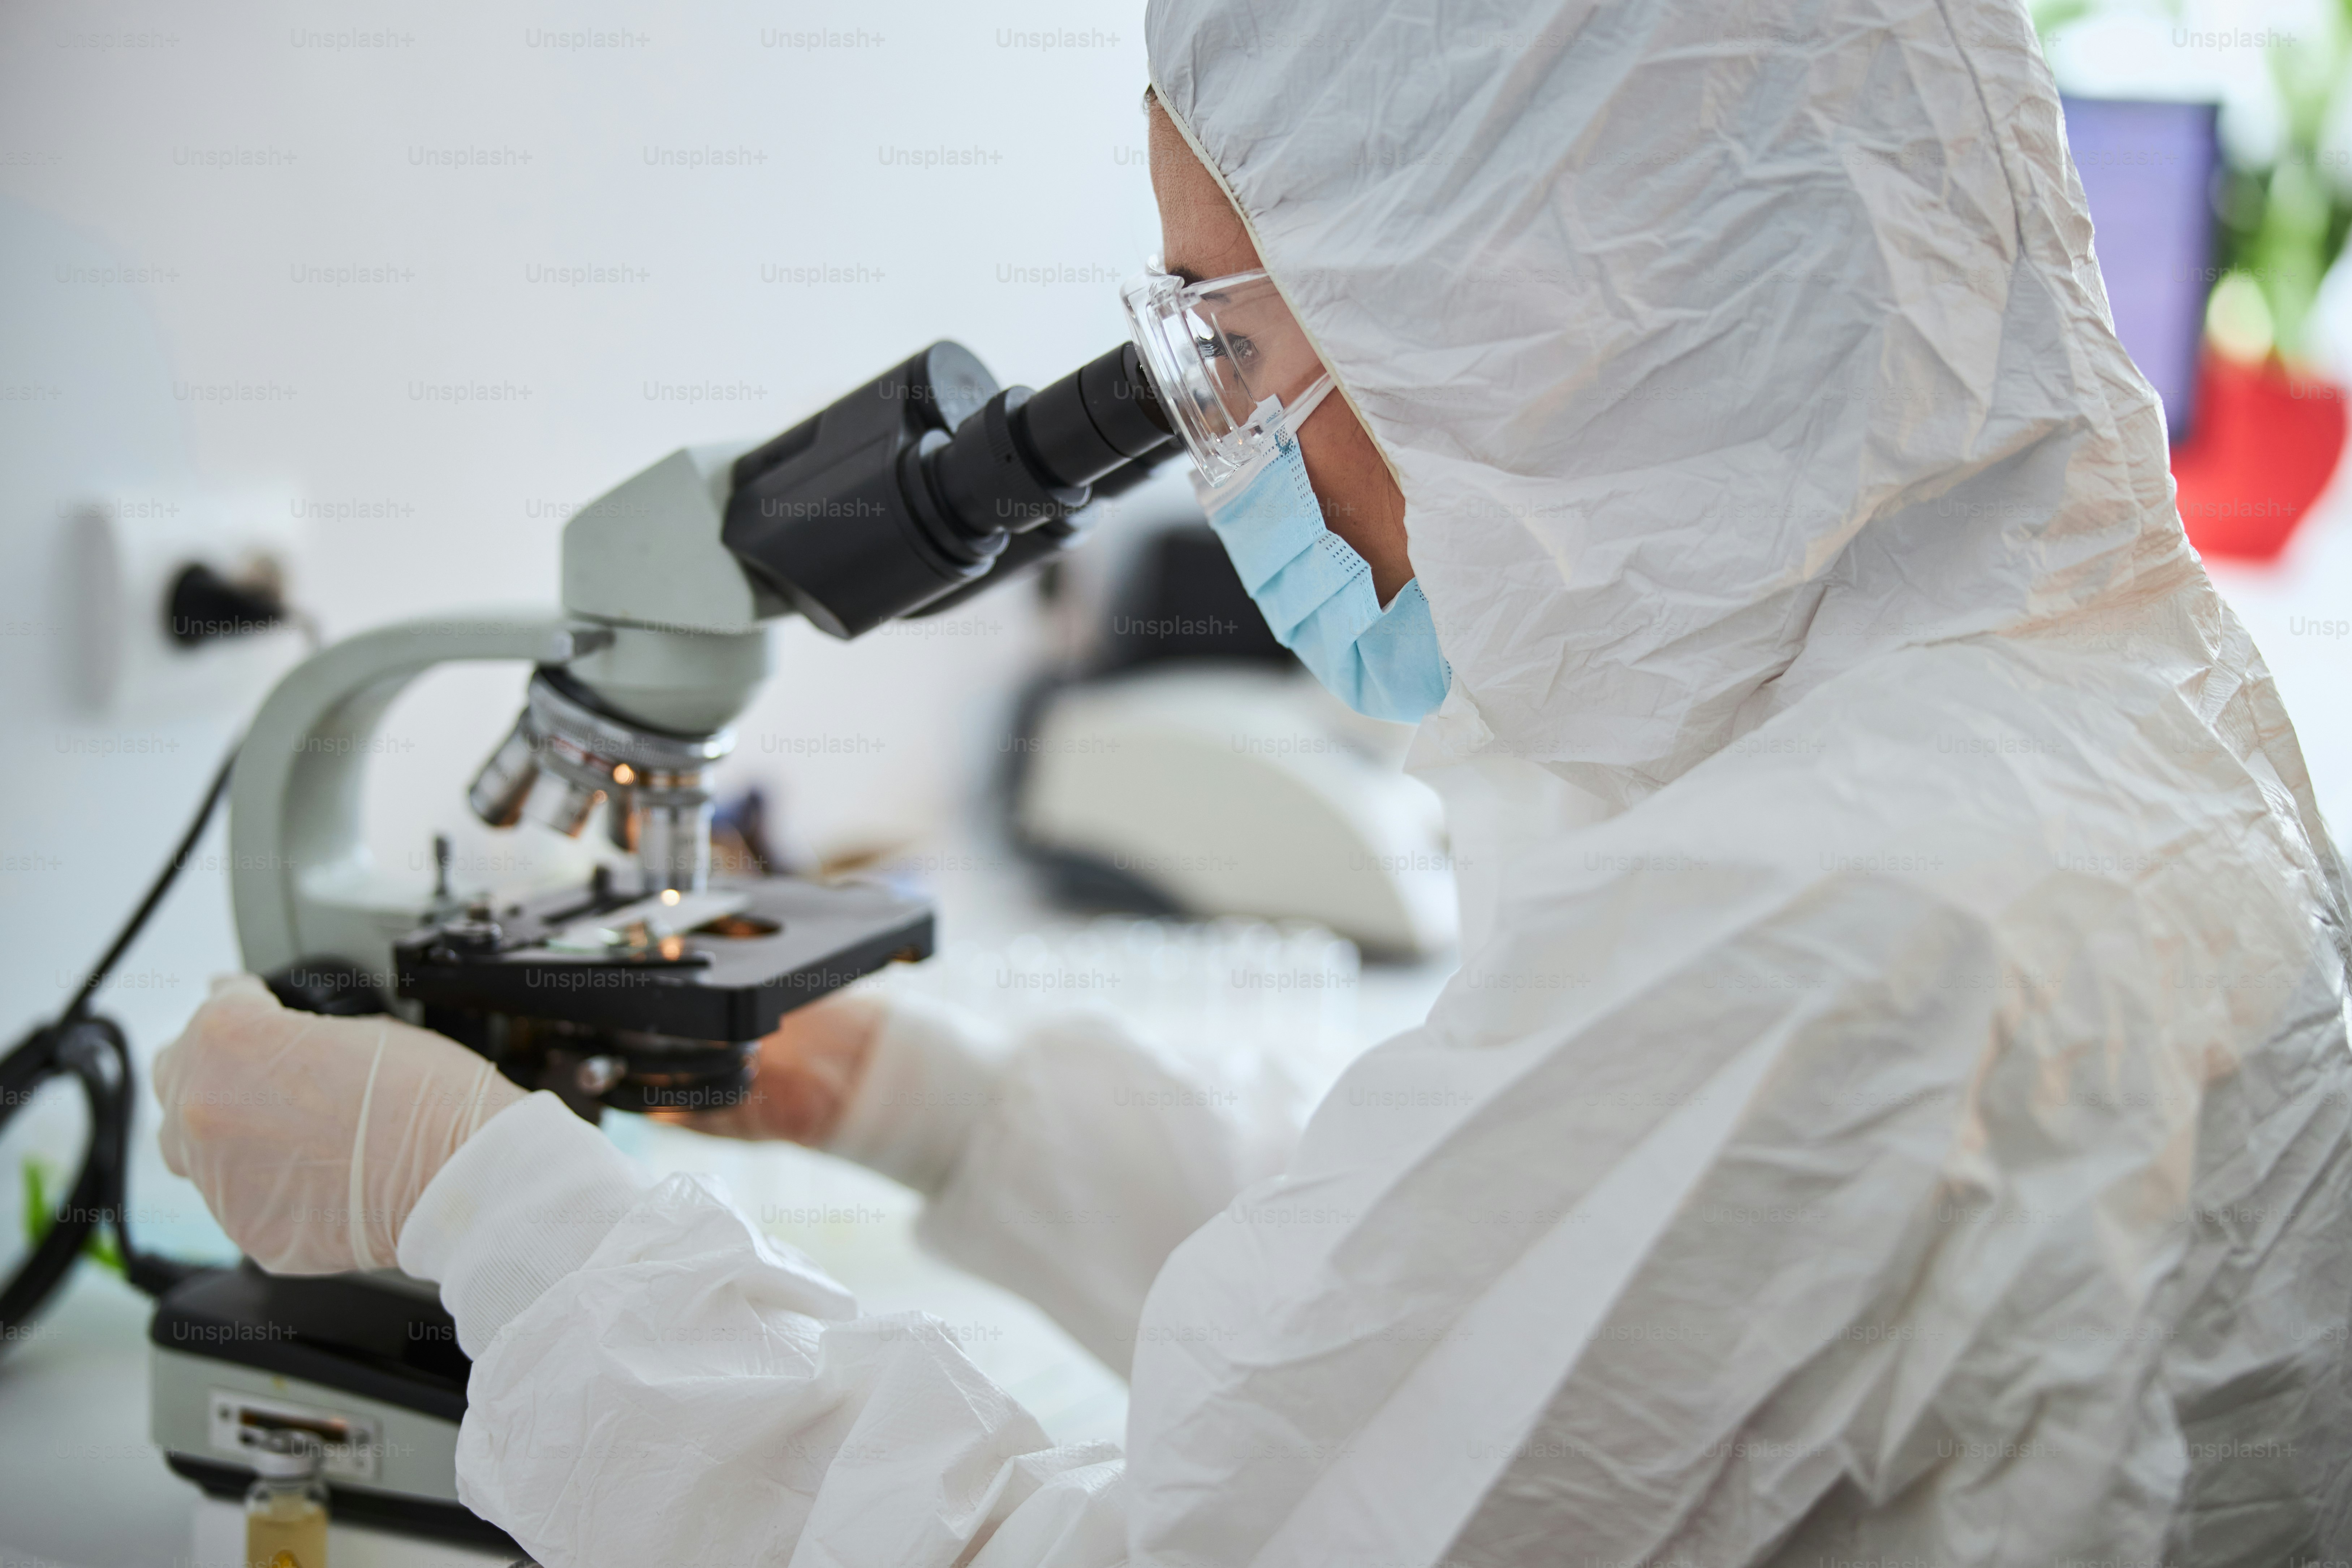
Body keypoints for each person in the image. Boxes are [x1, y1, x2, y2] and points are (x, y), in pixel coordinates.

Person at [153, 0, 2352, 1562]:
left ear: (1535, 307)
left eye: (1226, 333)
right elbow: (1490, 1346)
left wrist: (492, 1207)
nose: (1217, 441)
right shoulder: (2058, 715)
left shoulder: (1824, 926)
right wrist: (940, 1107)